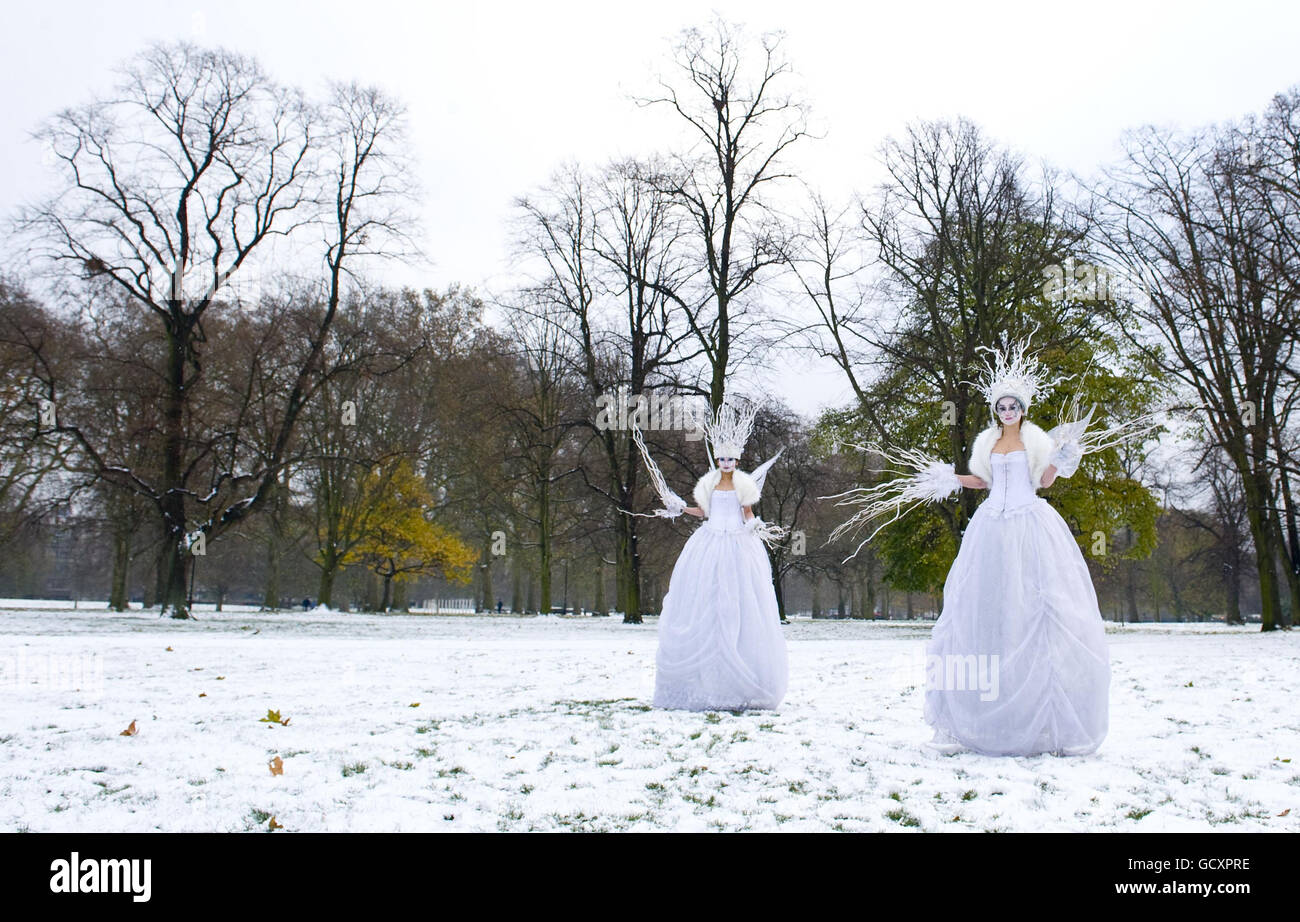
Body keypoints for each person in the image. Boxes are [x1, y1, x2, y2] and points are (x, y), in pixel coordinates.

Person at [825, 336, 1155, 756]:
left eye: (1013, 405)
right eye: (1001, 406)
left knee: (1036, 606)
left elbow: (1044, 481)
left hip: (1029, 525)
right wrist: (949, 479)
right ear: (996, 409)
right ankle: (990, 710)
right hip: (991, 529)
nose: (1007, 411)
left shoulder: (1036, 441)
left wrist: (1060, 459)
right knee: (986, 606)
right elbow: (983, 480)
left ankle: (1041, 715)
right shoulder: (987, 442)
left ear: (1023, 408)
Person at [629, 397, 789, 711]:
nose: (726, 463)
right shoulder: (708, 484)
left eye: (731, 459)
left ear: (737, 461)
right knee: (706, 600)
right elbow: (703, 512)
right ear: (718, 460)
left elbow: (747, 513)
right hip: (710, 544)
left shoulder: (743, 486)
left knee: (738, 603)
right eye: (722, 458)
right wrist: (680, 508)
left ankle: (738, 678)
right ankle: (704, 681)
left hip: (738, 545)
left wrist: (757, 527)